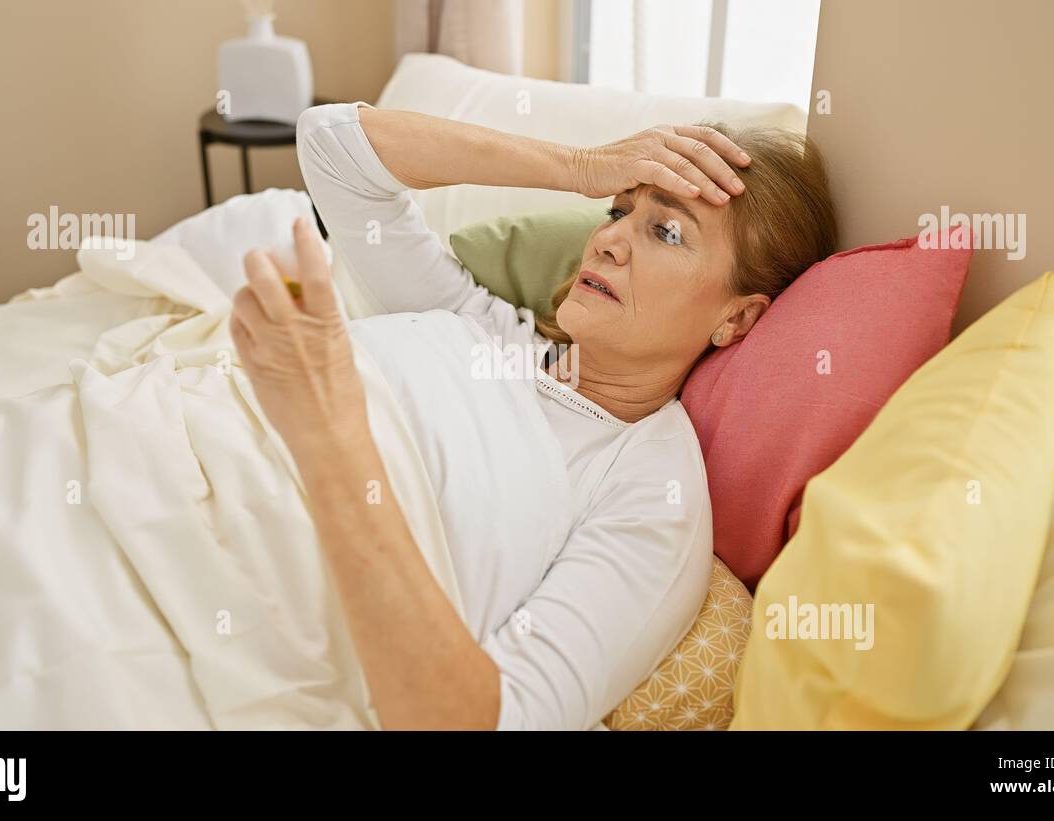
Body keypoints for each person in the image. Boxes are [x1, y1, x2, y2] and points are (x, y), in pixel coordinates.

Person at [229, 102, 836, 730]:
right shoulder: (487, 330)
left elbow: (487, 720)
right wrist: (581, 166)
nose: (607, 240)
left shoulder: (652, 495)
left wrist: (327, 435)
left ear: (736, 318)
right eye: (619, 211)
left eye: (667, 232)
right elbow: (333, 145)